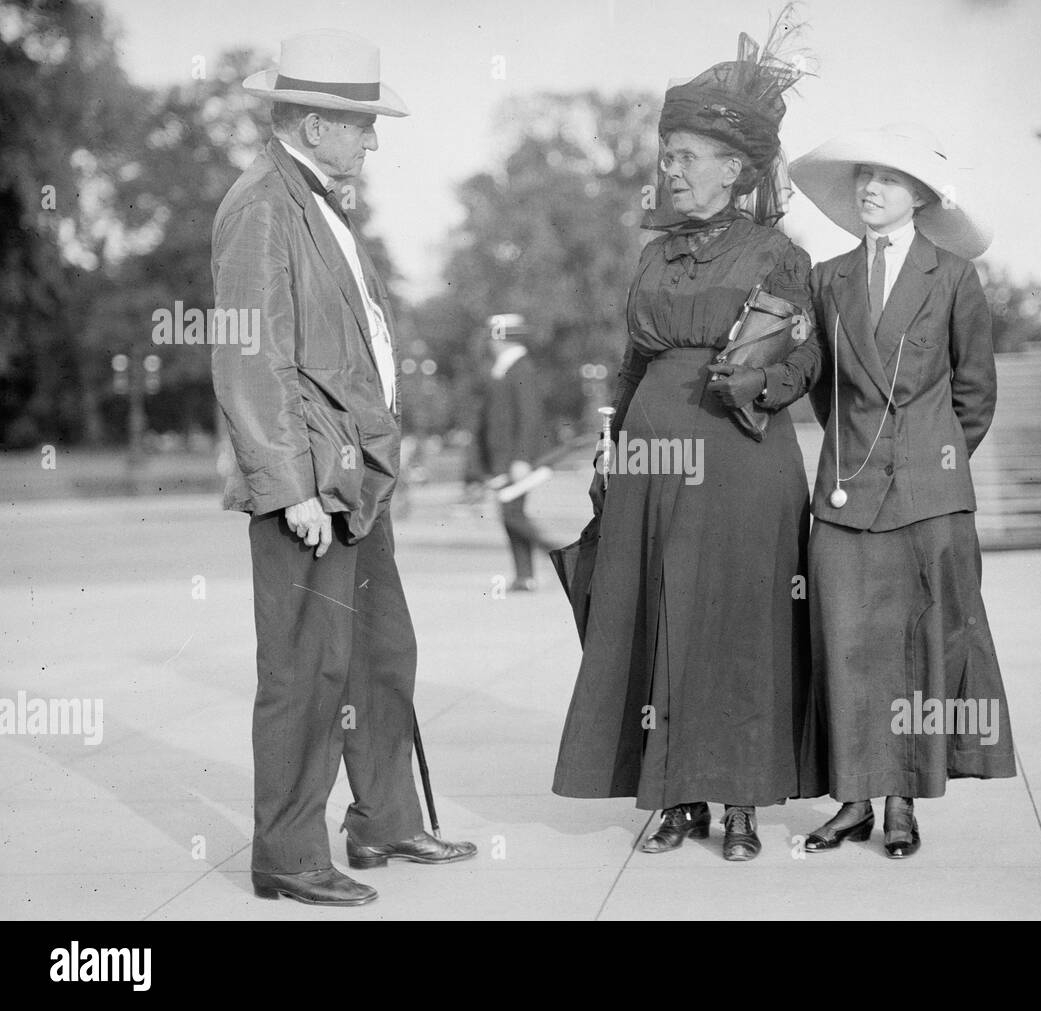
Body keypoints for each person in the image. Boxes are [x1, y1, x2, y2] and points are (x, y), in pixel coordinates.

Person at [211, 29, 475, 907]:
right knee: (306, 670)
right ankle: (286, 854)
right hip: (312, 486)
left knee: (380, 653)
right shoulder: (262, 205)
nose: (372, 140)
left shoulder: (318, 199)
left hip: (354, 473)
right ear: (316, 123)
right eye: (361, 125)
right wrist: (292, 491)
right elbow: (253, 359)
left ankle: (385, 819)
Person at [552, 10, 821, 862]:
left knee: (741, 620)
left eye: (687, 156)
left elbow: (805, 361)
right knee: (652, 616)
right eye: (665, 155)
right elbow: (632, 363)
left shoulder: (777, 255)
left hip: (742, 456)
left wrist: (762, 384)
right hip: (648, 463)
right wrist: (610, 445)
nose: (670, 168)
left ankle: (740, 800)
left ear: (737, 169)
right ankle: (674, 797)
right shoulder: (652, 256)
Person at [789, 124, 1017, 858]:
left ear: (919, 194)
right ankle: (852, 799)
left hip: (929, 496)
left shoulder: (953, 276)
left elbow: (975, 392)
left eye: (886, 179)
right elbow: (825, 393)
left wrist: (930, 459)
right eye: (863, 178)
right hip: (848, 496)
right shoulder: (828, 277)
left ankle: (901, 804)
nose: (869, 189)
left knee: (920, 647)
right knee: (846, 642)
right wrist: (861, 456)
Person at [477, 313, 556, 591]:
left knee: (512, 514)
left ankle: (557, 552)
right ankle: (525, 574)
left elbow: (529, 415)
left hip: (516, 459)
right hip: (505, 458)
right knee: (511, 513)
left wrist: (522, 457)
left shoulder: (520, 368)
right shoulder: (507, 368)